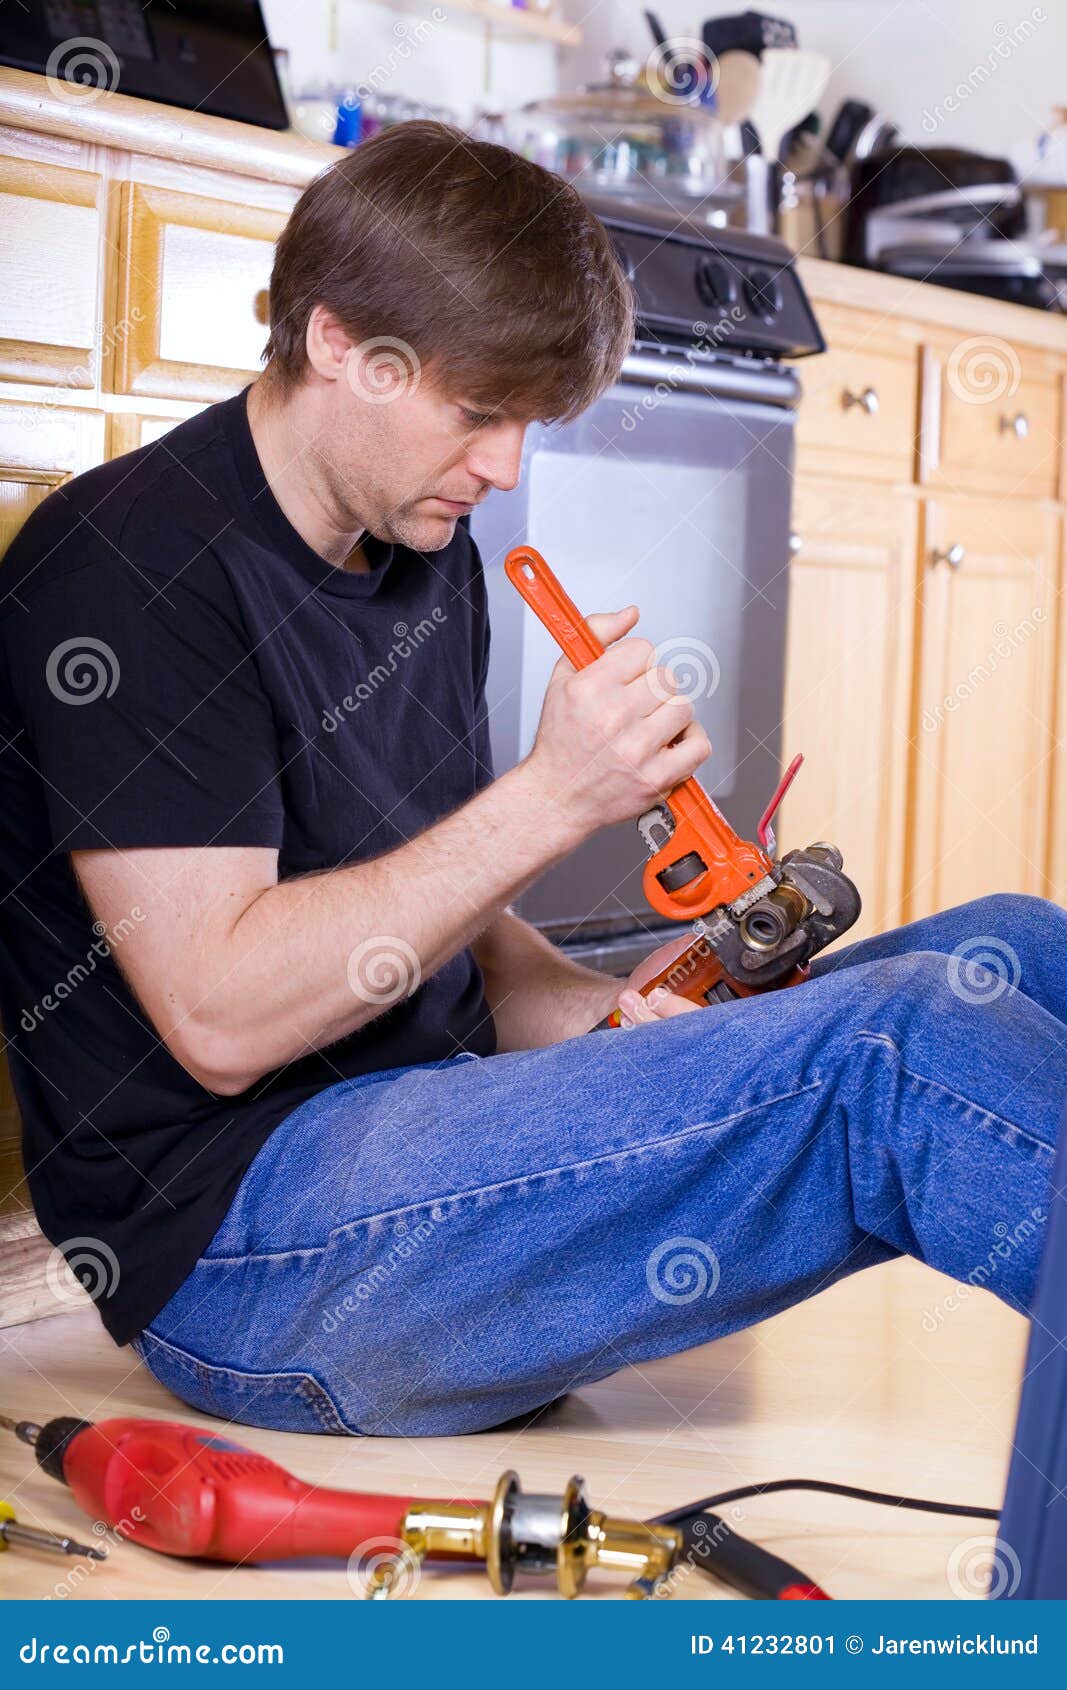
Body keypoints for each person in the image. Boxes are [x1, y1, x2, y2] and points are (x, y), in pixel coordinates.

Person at [0, 124, 1060, 1439]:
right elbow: (216, 1012)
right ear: (337, 340)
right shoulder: (129, 568)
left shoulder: (419, 550)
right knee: (907, 1053)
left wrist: (628, 1018)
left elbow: (446, 931)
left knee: (1019, 951)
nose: (506, 468)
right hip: (248, 1254)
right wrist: (554, 795)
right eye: (477, 410)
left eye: (529, 422)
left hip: (437, 1137)